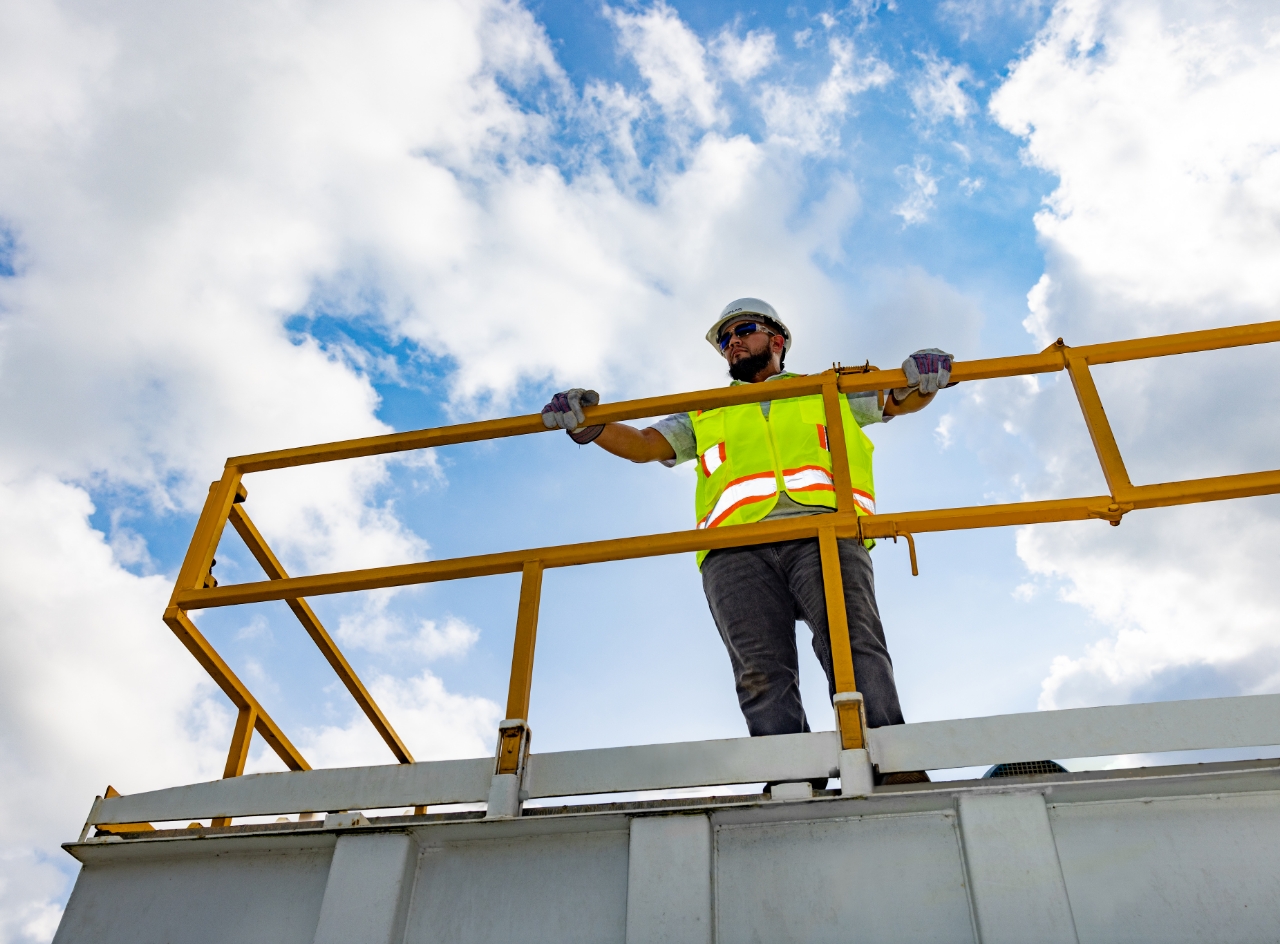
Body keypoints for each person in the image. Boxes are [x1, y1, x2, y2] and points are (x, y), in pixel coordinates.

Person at [541, 298, 952, 786]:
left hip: (823, 531)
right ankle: (792, 776)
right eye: (724, 338)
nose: (732, 341)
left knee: (854, 646)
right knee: (760, 670)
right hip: (734, 551)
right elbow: (646, 445)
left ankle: (892, 764)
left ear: (777, 339)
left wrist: (922, 377)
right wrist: (591, 424)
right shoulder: (708, 408)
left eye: (744, 329)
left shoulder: (824, 388)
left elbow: (893, 400)